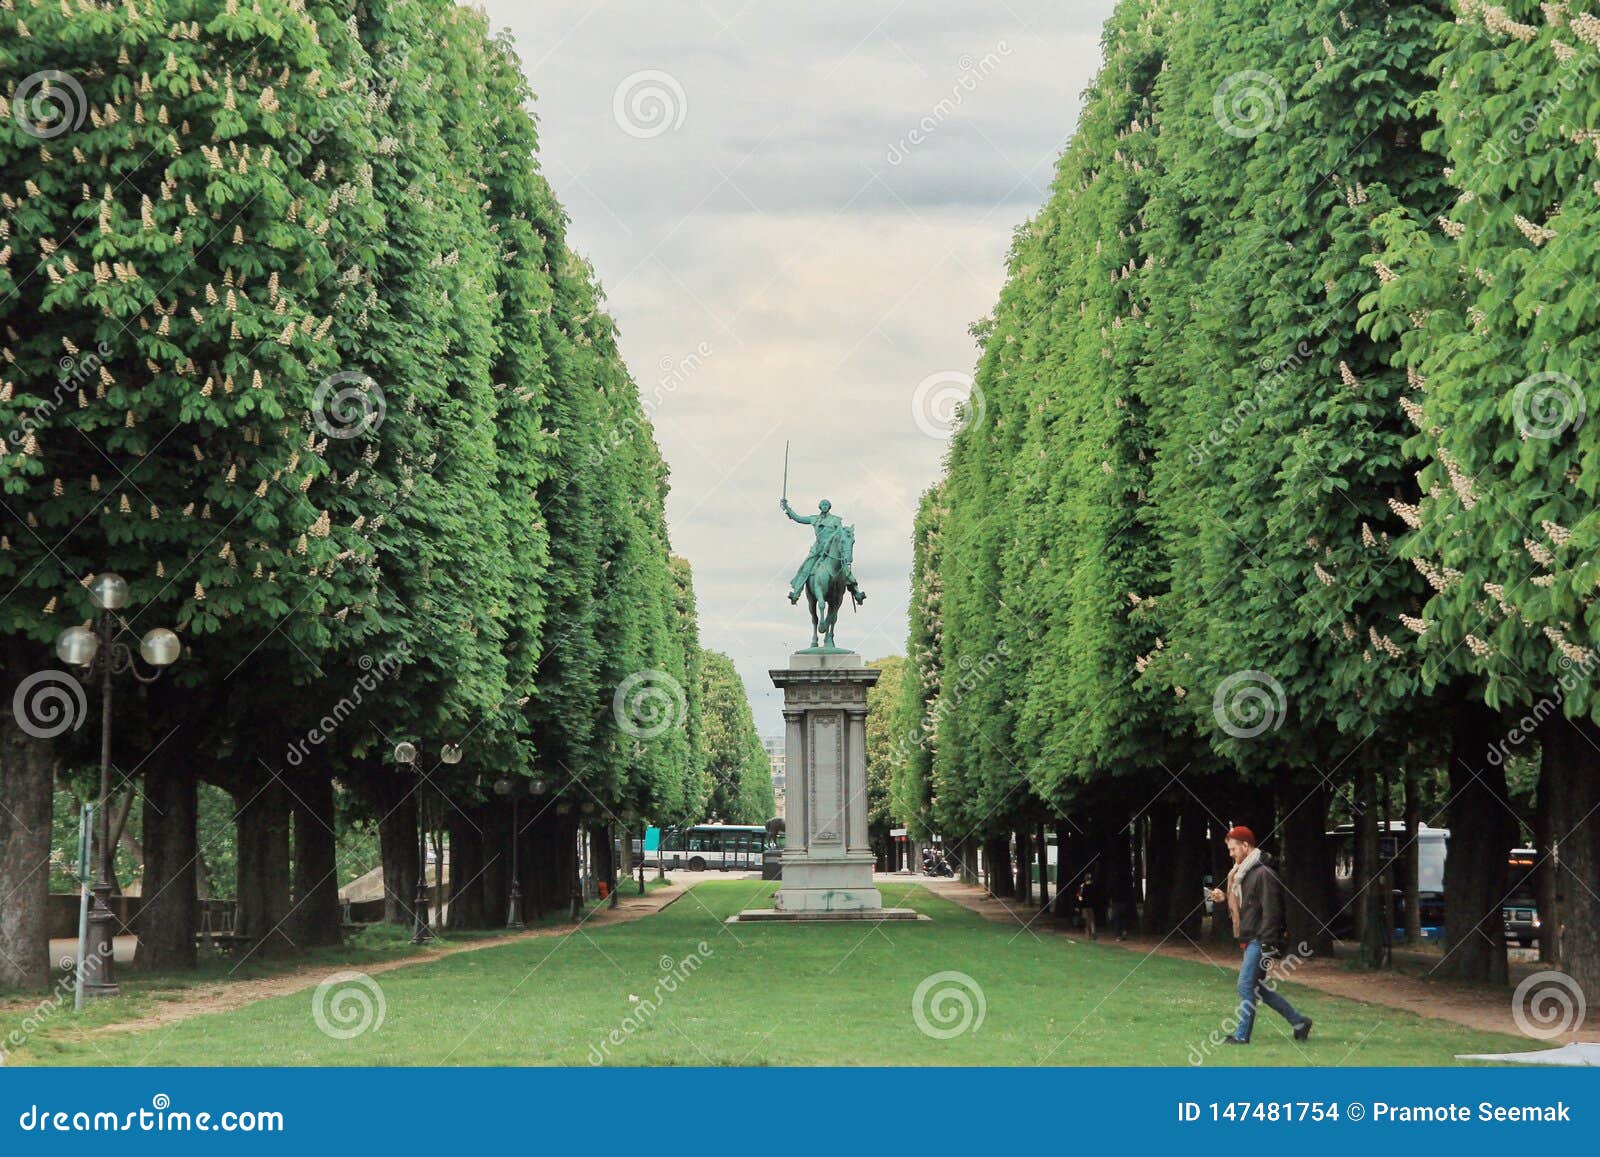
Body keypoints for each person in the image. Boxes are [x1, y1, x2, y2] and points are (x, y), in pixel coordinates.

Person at [1207, 826, 1313, 1045]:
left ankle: (1242, 1036)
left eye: (1233, 849)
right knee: (1259, 989)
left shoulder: (1263, 873)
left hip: (1259, 939)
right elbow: (1250, 906)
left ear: (1246, 846)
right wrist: (1225, 898)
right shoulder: (1243, 873)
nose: (1231, 854)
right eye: (1229, 849)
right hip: (1251, 938)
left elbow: (1271, 911)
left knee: (1245, 985)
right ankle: (1299, 1022)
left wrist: (1267, 944)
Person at [1076, 874, 1102, 940]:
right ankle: (1093, 933)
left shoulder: (1082, 886)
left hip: (1085, 906)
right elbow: (1096, 896)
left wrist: (1079, 904)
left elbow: (1079, 896)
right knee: (1092, 920)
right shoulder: (1094, 886)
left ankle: (1088, 934)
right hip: (1092, 906)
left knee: (1087, 920)